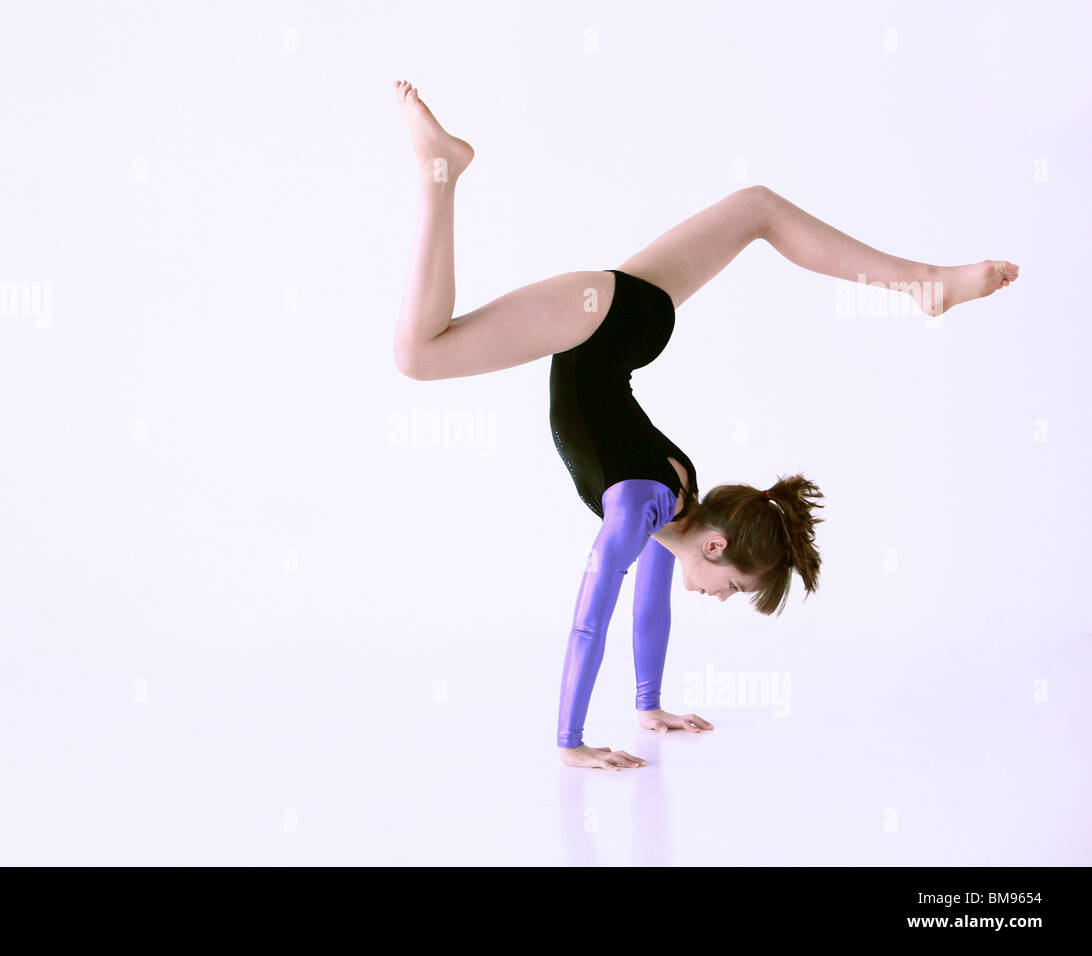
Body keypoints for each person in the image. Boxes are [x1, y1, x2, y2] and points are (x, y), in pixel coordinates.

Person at [390, 80, 1019, 771]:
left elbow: (645, 609)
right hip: (594, 320)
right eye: (737, 588)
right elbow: (589, 614)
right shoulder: (642, 505)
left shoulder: (670, 511)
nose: (722, 601)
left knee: (756, 209)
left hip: (629, 319)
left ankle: (926, 285)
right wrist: (570, 743)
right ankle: (440, 169)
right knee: (420, 354)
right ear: (716, 546)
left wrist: (648, 707)